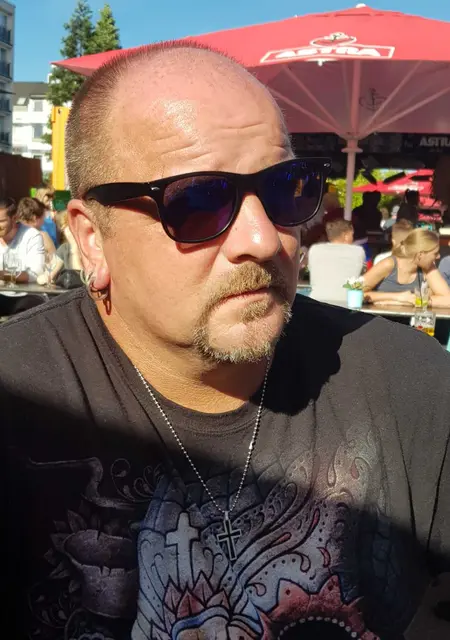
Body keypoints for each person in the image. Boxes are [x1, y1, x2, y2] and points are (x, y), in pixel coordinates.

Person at [2, 43, 450, 640]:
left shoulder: (408, 382)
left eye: (287, 188)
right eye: (197, 200)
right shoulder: (17, 398)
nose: (264, 240)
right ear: (91, 239)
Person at [364, 228, 450, 305]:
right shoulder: (388, 265)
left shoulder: (428, 267)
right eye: (435, 253)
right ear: (420, 255)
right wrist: (397, 297)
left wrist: (408, 302)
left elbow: (447, 300)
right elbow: (357, 292)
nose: (438, 256)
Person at [0, 197, 46, 315]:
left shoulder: (31, 236)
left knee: (24, 309)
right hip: (2, 294)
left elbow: (36, 274)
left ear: (14, 218)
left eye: (1, 221)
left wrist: (4, 275)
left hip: (27, 295)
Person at [308, 219, 365, 303]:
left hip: (316, 300)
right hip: (347, 302)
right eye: (352, 234)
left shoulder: (314, 249)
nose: (353, 238)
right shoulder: (358, 251)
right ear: (346, 235)